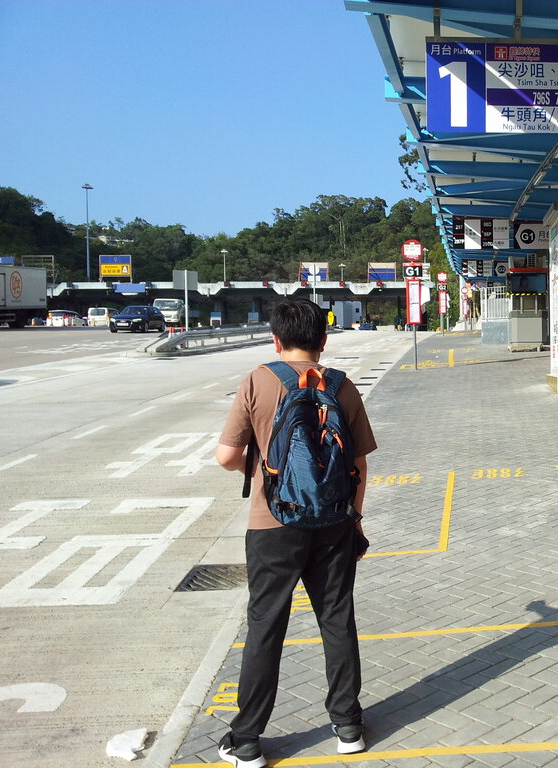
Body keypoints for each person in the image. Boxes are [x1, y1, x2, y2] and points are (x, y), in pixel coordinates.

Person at [214, 299, 377, 768]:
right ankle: (348, 726)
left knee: (266, 625)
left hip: (272, 524)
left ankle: (246, 741)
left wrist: (263, 462)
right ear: (324, 341)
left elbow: (226, 457)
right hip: (333, 522)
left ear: (275, 339)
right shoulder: (343, 387)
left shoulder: (258, 380)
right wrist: (355, 519)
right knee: (336, 618)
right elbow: (359, 463)